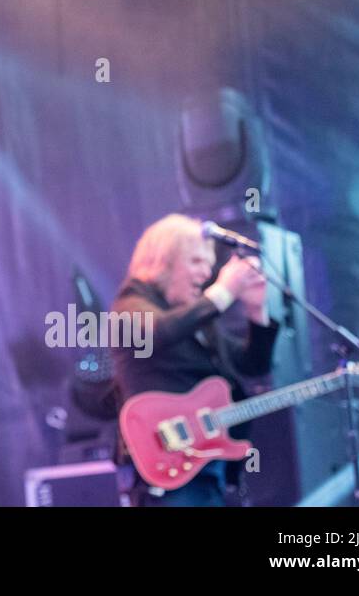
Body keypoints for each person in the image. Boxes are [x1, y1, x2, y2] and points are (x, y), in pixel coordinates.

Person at [112, 213, 278, 506]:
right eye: (196, 262)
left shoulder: (198, 318)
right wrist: (223, 292)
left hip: (208, 462)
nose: (206, 273)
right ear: (162, 261)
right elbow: (159, 332)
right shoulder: (130, 307)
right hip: (166, 467)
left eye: (209, 264)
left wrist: (256, 311)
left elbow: (251, 365)